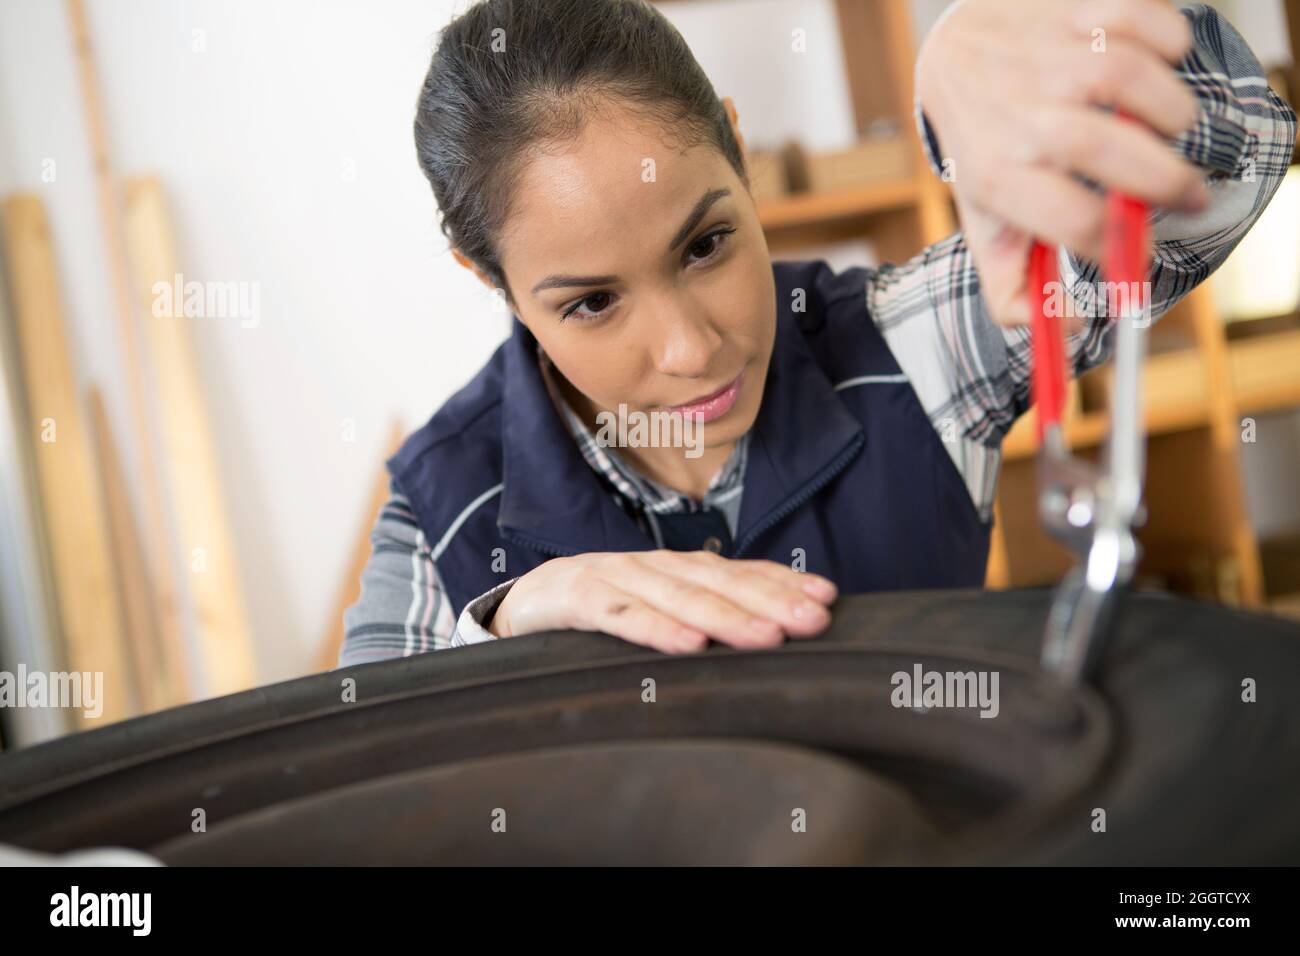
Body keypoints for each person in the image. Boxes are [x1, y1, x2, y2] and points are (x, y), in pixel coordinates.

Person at [339, 0, 1295, 666]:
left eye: (707, 244)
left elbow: (1245, 149)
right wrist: (501, 636)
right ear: (493, 281)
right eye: (591, 304)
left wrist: (1012, 45)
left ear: (738, 151)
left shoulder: (908, 346)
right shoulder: (442, 511)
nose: (691, 349)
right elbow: (352, 794)